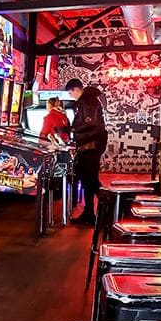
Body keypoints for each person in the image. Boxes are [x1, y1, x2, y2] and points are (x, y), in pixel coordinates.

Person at [65, 77, 107, 225]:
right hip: (89, 145)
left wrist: (71, 129)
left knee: (91, 180)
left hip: (91, 146)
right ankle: (89, 213)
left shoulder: (88, 101)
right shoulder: (87, 101)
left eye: (71, 93)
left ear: (77, 89)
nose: (71, 96)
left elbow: (91, 124)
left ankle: (110, 207)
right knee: (87, 180)